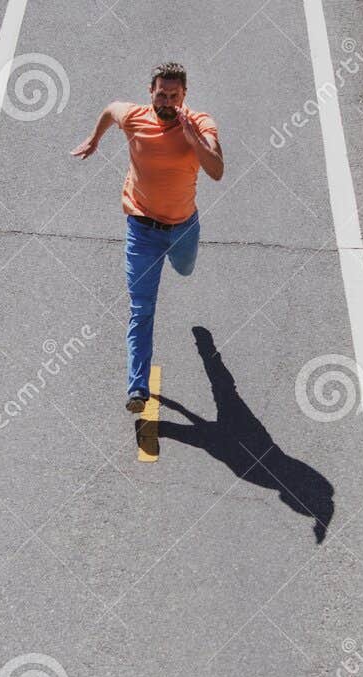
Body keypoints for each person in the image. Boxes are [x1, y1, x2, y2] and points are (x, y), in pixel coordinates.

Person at [71, 62, 224, 413]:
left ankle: (209, 355)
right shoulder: (135, 117)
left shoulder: (201, 124)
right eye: (161, 94)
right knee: (141, 309)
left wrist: (193, 139)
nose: (167, 101)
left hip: (183, 227)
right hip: (141, 229)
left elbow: (216, 170)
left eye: (174, 95)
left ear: (184, 96)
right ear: (150, 93)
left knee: (184, 270)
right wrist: (95, 140)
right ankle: (137, 389)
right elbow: (111, 110)